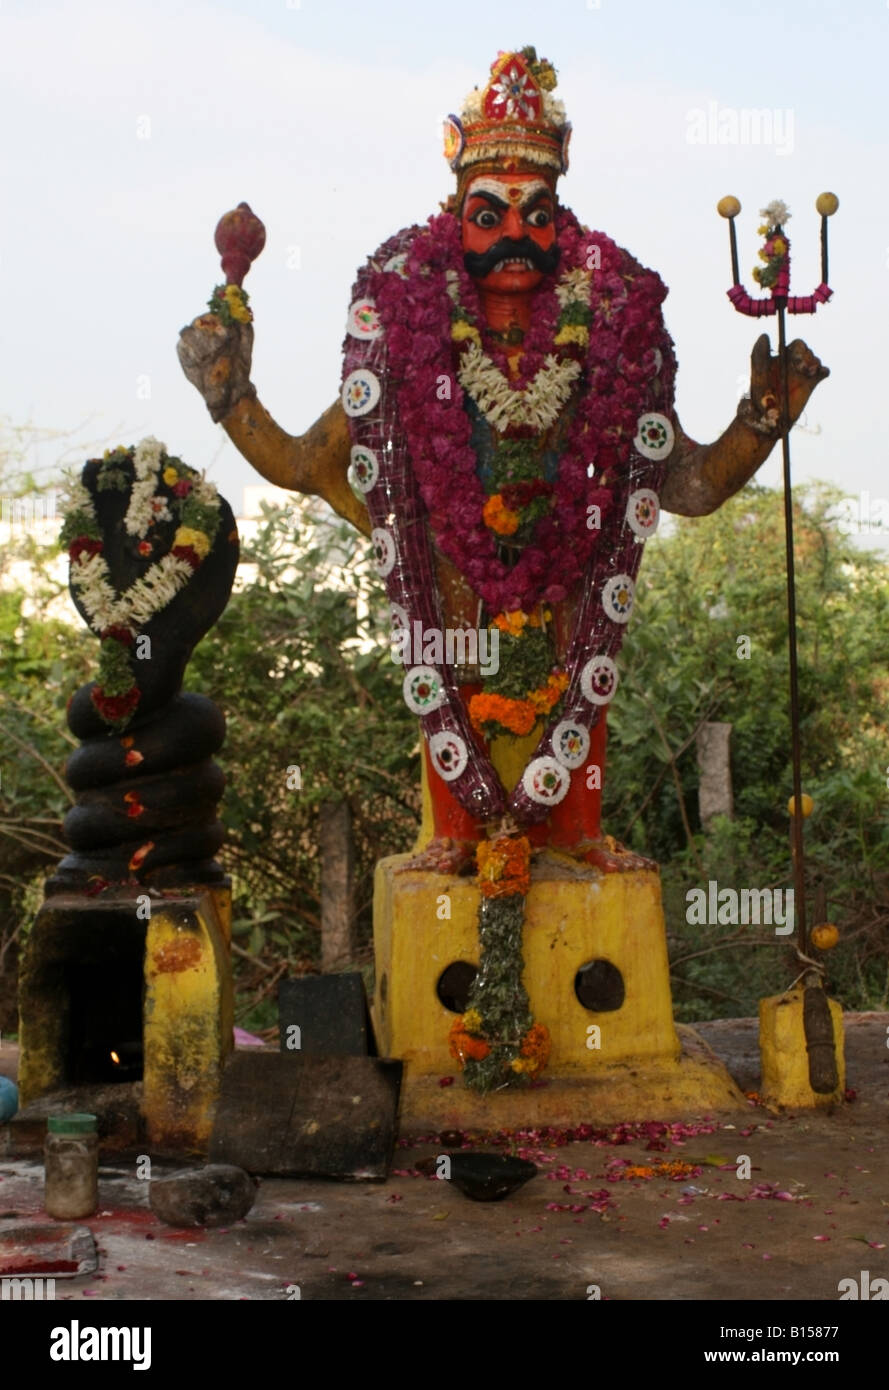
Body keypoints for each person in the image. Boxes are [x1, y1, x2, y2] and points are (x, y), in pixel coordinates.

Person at [178, 46, 827, 874]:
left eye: (536, 213)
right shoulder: (406, 335)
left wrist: (761, 419)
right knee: (446, 682)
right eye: (490, 215)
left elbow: (686, 483)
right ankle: (453, 837)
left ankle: (576, 834)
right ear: (456, 217)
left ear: (561, 219)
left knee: (580, 685)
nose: (515, 234)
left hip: (570, 572)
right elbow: (309, 464)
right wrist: (230, 399)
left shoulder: (609, 335)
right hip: (447, 577)